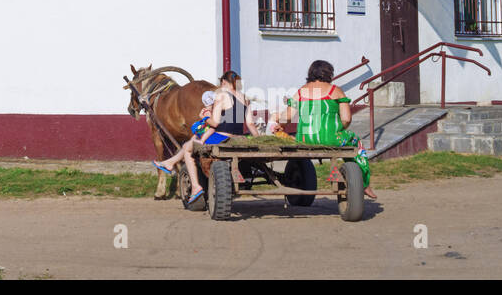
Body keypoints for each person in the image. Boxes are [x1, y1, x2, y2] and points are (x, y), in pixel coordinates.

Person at [269, 59, 377, 200]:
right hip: (331, 138)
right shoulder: (335, 91)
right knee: (355, 142)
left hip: (304, 139)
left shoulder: (301, 92)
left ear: (311, 73)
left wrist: (281, 126)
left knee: (307, 136)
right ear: (329, 74)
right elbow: (346, 119)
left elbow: (287, 117)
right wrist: (339, 129)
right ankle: (363, 183)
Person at [153, 72, 257, 203]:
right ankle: (169, 163)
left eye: (221, 83)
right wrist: (258, 140)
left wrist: (205, 118)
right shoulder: (245, 98)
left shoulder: (222, 96)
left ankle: (196, 187)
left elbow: (215, 123)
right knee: (194, 139)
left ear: (224, 82)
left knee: (187, 149)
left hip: (221, 137)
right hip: (238, 137)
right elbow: (251, 124)